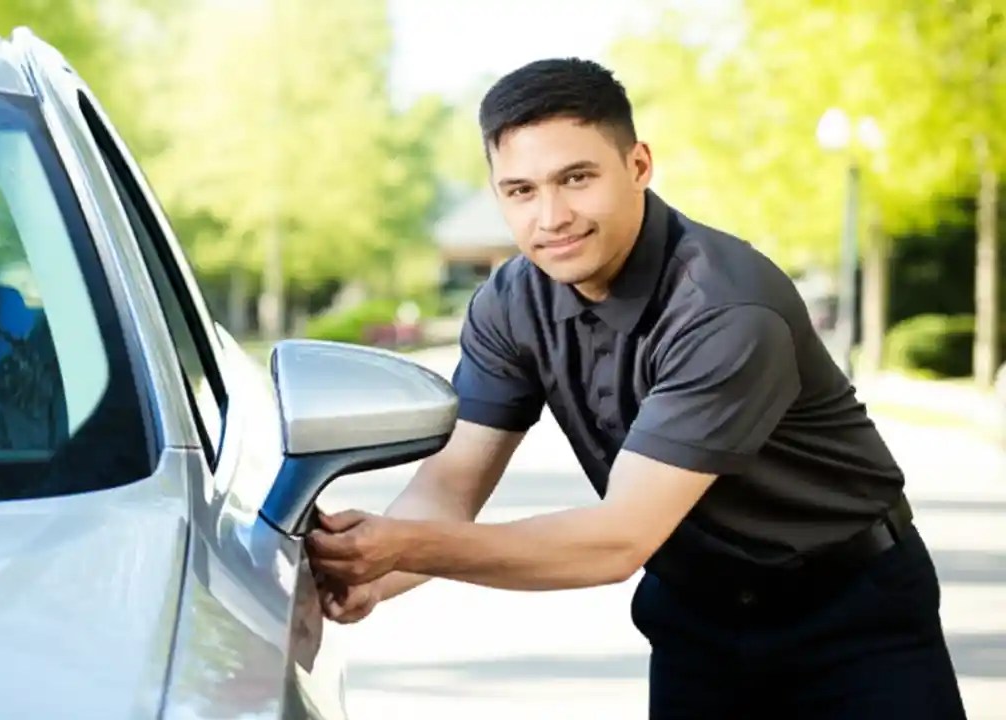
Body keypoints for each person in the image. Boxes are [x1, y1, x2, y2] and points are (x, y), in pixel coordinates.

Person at [306, 58, 966, 719]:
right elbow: (448, 490)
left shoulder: (725, 308)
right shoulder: (511, 304)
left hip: (851, 614)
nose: (552, 216)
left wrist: (403, 546)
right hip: (694, 614)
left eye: (576, 178)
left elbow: (618, 541)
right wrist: (373, 576)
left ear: (639, 167)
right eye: (521, 190)